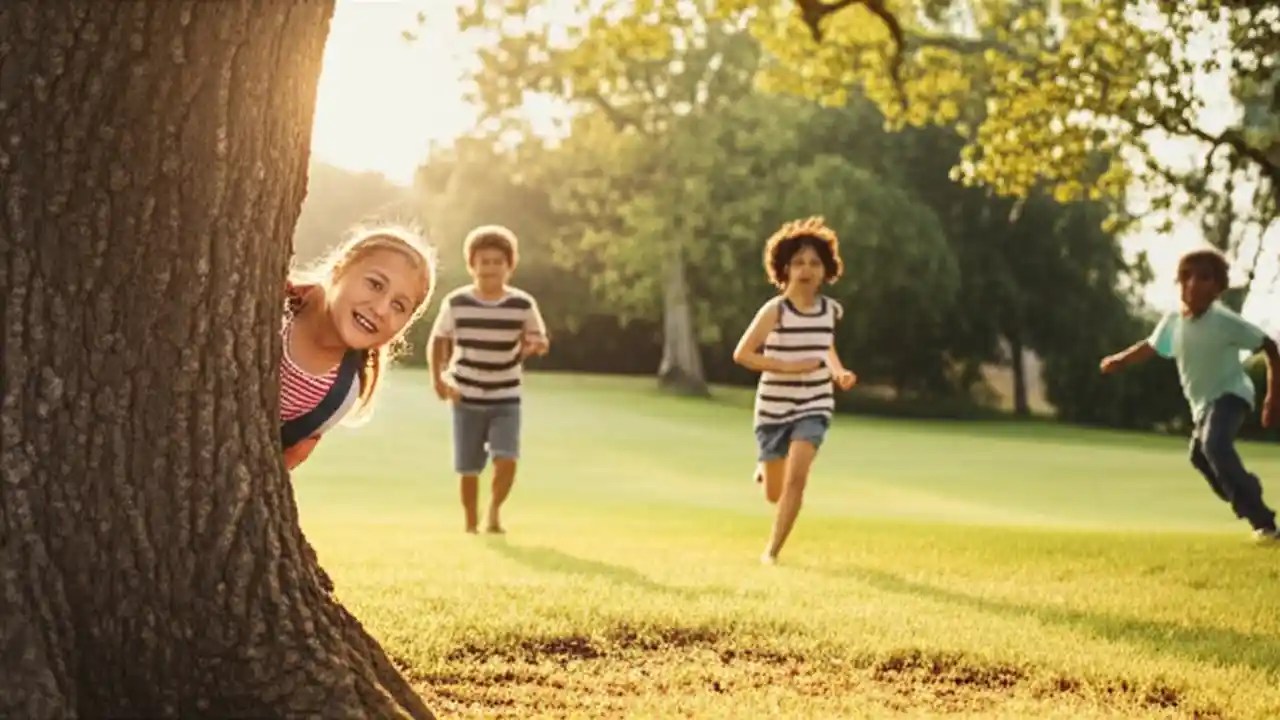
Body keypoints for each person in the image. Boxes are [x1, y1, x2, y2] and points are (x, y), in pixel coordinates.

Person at [1101, 247, 1279, 540]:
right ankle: (1249, 493)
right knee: (1200, 455)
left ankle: (1265, 522)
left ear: (1218, 287)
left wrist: (1274, 397)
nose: (1193, 284)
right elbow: (1151, 346)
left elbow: (1270, 347)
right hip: (1203, 405)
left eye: (1204, 278)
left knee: (1214, 445)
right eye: (1186, 277)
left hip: (1232, 396)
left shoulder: (1224, 321)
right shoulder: (1173, 321)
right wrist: (1120, 360)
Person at [733, 216, 857, 564]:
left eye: (815, 263)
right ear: (784, 268)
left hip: (813, 403)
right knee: (774, 492)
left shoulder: (829, 310)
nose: (806, 269)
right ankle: (765, 464)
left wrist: (838, 372)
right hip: (773, 407)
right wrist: (787, 367)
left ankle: (772, 552)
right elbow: (742, 354)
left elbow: (824, 346)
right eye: (799, 262)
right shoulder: (775, 311)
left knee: (797, 481)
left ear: (825, 270)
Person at [280, 226, 435, 471]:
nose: (382, 309)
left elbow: (277, 466)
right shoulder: (276, 305)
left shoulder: (338, 396)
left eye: (399, 305)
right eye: (375, 284)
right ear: (340, 269)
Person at [430, 225, 548, 534]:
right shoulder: (457, 303)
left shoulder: (522, 304)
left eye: (498, 262)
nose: (490, 268)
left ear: (510, 267)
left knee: (506, 458)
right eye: (484, 261)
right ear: (472, 265)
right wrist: (440, 380)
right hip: (465, 394)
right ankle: (470, 525)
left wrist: (536, 345)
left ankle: (494, 512)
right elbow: (438, 340)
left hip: (506, 395)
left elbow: (537, 338)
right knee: (468, 468)